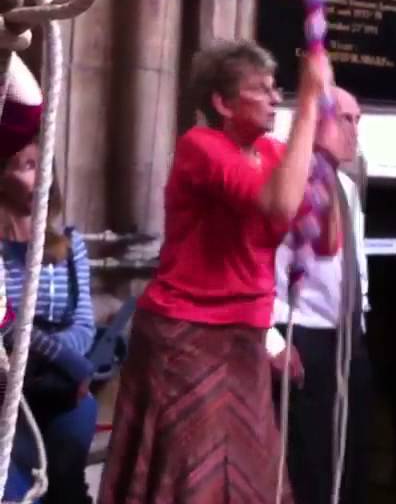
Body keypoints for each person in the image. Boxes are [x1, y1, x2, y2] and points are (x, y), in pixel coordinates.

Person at [98, 40, 331, 504]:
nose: (274, 98)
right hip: (185, 336)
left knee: (253, 477)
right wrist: (309, 104)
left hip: (243, 337)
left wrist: (328, 150)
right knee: (190, 475)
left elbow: (327, 241)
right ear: (223, 103)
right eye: (260, 90)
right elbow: (278, 202)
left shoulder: (269, 152)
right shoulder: (200, 146)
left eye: (276, 88)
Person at [269, 86, 372, 504]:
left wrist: (360, 322)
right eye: (346, 119)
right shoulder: (284, 178)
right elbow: (254, 266)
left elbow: (353, 268)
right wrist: (271, 340)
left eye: (358, 121)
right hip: (300, 335)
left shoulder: (345, 188)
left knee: (351, 462)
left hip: (346, 339)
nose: (355, 131)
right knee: (307, 464)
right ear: (317, 120)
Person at [1, 147, 95, 504]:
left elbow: (84, 324)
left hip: (58, 388)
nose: (41, 175)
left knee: (68, 486)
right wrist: (67, 359)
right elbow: (4, 324)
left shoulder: (70, 246)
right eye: (26, 165)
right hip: (6, 386)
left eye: (43, 164)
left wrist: (57, 359)